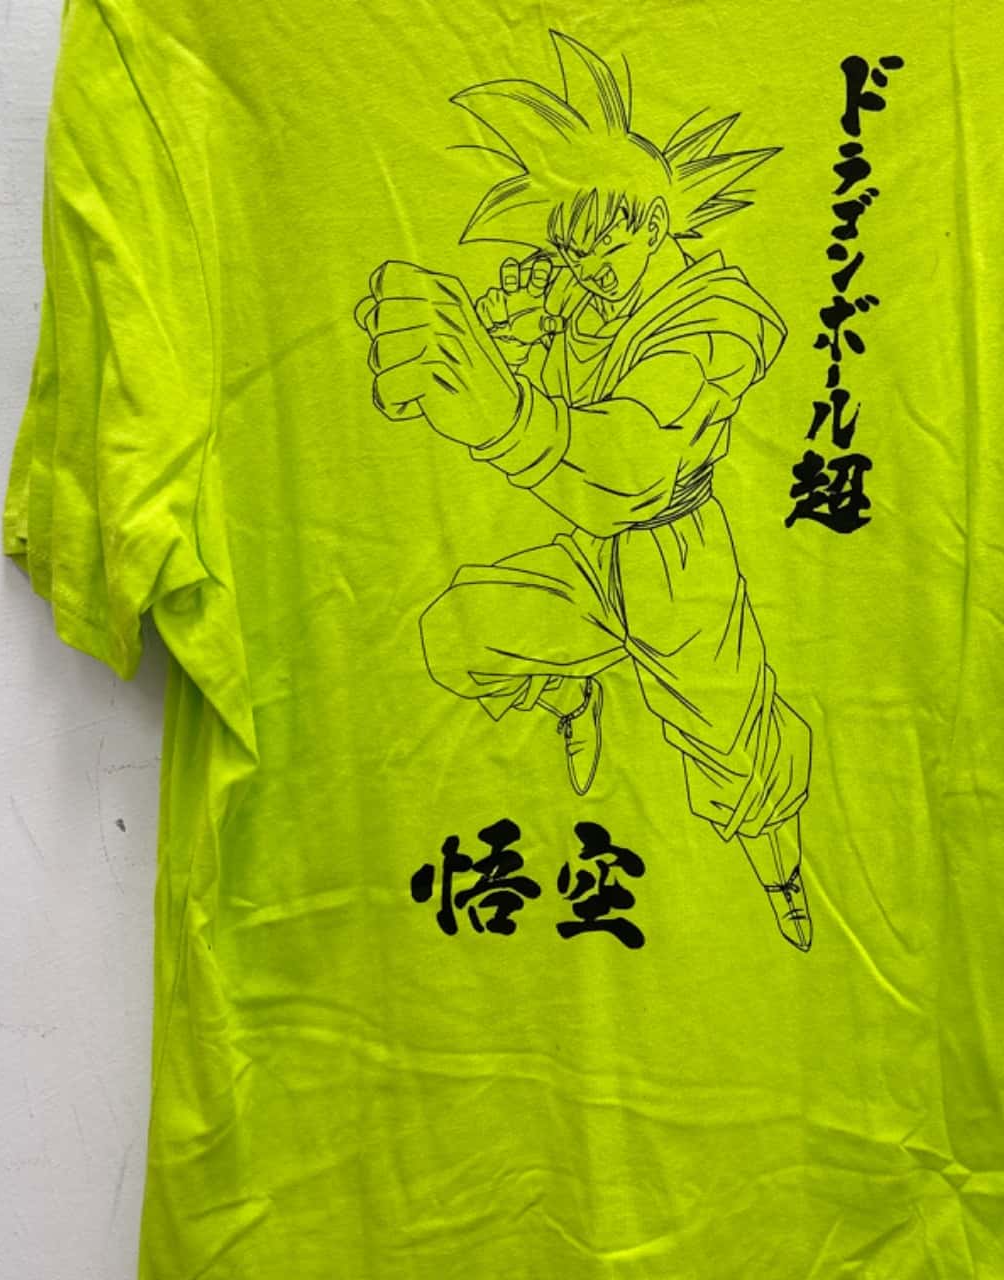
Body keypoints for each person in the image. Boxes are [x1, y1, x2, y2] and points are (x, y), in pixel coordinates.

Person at [353, 30, 816, 949]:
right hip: (593, 551)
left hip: (677, 562)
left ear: (653, 228)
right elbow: (530, 355)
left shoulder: (718, 321)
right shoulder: (582, 292)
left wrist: (502, 412)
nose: (586, 272)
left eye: (603, 249)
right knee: (459, 634)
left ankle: (784, 879)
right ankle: (572, 690)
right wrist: (477, 333)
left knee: (732, 747)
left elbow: (633, 468)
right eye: (572, 250)